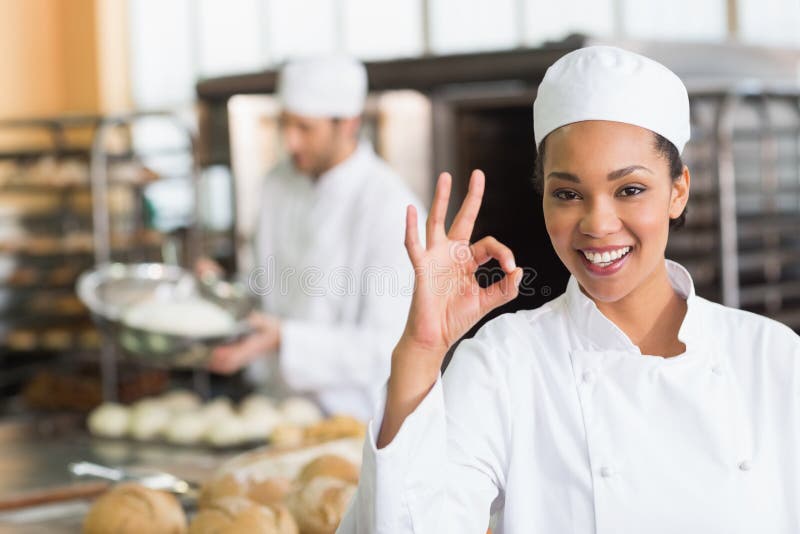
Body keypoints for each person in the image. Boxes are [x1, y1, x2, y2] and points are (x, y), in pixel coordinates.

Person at [338, 46, 800, 533]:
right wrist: (422, 349)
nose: (598, 224)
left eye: (630, 189)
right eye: (568, 194)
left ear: (678, 190)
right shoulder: (506, 363)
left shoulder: (773, 358)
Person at [204, 56, 426, 420]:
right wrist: (222, 294)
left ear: (348, 125)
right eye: (285, 125)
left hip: (355, 422)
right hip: (274, 412)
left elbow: (388, 346)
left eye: (305, 128)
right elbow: (264, 291)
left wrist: (284, 339)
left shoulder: (390, 207)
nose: (290, 142)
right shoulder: (277, 184)